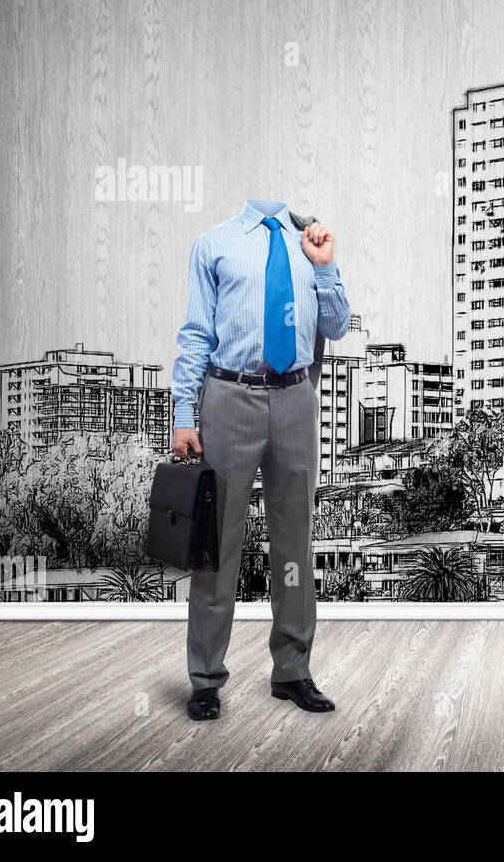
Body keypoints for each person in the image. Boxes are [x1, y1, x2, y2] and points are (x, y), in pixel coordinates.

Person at [171, 199, 350, 721]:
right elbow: (197, 332)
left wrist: (325, 268)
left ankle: (292, 670)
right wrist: (184, 412)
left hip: (296, 398)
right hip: (229, 397)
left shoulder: (310, 243)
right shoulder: (214, 244)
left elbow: (337, 326)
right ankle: (205, 679)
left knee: (295, 543)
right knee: (217, 543)